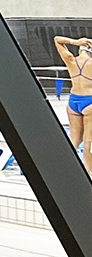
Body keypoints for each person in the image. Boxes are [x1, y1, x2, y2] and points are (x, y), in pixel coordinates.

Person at [55, 35, 92, 177]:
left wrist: (74, 42)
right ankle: (89, 173)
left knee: (74, 140)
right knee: (89, 140)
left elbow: (57, 39)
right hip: (89, 102)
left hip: (73, 101)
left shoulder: (71, 60)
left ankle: (64, 169)